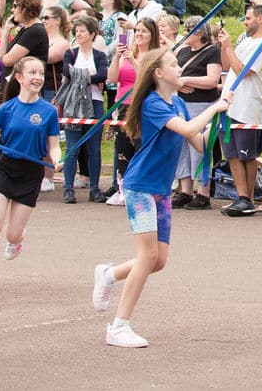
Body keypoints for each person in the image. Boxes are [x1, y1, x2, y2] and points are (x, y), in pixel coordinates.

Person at [91, 48, 232, 347]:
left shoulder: (177, 102)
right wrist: (213, 108)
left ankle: (109, 274)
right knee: (147, 257)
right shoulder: (153, 104)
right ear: (158, 73)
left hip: (161, 189)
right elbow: (187, 127)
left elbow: (197, 142)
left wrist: (218, 120)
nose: (180, 68)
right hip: (140, 186)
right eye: (174, 64)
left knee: (158, 260)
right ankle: (118, 326)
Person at [0, 57, 61, 294]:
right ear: (19, 77)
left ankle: (16, 240)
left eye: (40, 73)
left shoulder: (48, 111)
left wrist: (56, 159)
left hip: (31, 173)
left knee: (12, 234)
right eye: (32, 73)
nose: (38, 78)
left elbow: (54, 145)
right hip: (6, 168)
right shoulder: (7, 108)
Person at [216, 5, 262, 216]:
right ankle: (241, 197)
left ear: (260, 18)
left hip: (247, 107)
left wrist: (229, 47)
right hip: (229, 105)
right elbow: (228, 66)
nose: (245, 22)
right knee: (231, 154)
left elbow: (243, 71)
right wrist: (224, 47)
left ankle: (248, 197)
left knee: (247, 155)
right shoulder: (245, 41)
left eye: (248, 18)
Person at [106, 18, 161, 205]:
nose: (139, 34)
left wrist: (133, 61)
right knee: (122, 148)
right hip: (122, 105)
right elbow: (113, 78)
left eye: (143, 31)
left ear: (152, 34)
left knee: (141, 147)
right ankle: (123, 188)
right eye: (137, 30)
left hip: (143, 105)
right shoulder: (127, 53)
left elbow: (149, 80)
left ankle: (141, 188)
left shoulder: (156, 56)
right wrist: (117, 57)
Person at [171, 16, 222, 211]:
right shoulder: (183, 51)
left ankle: (203, 192)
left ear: (199, 33)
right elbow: (176, 74)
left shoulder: (212, 51)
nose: (185, 34)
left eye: (188, 30)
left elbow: (212, 80)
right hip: (182, 103)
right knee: (181, 148)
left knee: (199, 148)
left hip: (202, 105)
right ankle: (185, 190)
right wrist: (179, 84)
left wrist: (186, 81)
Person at [60, 15, 109, 204]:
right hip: (74, 104)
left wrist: (80, 75)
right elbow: (67, 72)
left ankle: (95, 187)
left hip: (94, 101)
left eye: (82, 31)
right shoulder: (71, 53)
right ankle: (68, 188)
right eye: (77, 31)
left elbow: (103, 74)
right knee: (72, 147)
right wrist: (89, 76)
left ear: (92, 34)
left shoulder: (99, 55)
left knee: (94, 147)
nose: (78, 34)